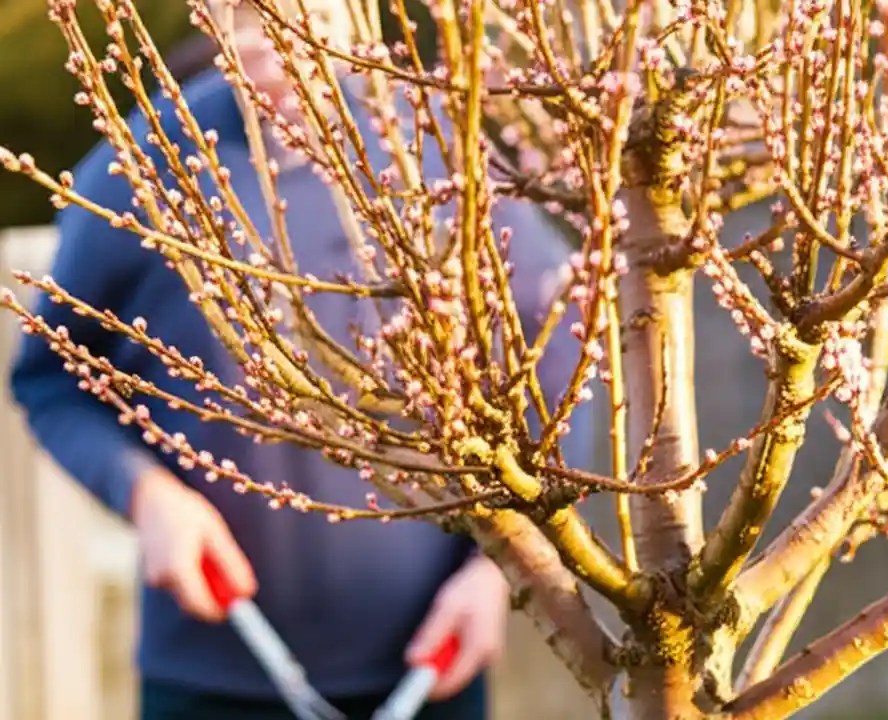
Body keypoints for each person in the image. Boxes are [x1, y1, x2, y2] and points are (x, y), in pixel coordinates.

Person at [8, 2, 589, 718]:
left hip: (430, 670)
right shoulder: (140, 168)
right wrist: (146, 495)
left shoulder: (440, 156)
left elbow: (560, 366)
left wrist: (504, 573)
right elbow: (49, 379)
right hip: (209, 678)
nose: (269, 27)